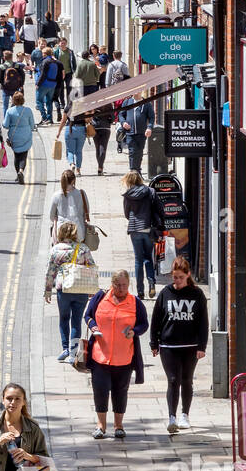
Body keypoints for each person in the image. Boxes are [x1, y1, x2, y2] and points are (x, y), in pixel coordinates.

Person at [84, 270, 149, 440]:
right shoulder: (100, 297)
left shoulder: (135, 302)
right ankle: (101, 426)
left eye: (124, 285)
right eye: (118, 285)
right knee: (100, 390)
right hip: (100, 356)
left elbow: (144, 324)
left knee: (120, 392)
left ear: (129, 284)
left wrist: (134, 332)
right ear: (111, 284)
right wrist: (93, 328)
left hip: (124, 358)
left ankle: (119, 426)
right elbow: (88, 315)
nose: (121, 289)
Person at [150, 257, 209, 434]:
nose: (176, 281)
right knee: (173, 380)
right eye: (174, 277)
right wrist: (154, 342)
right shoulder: (165, 293)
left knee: (187, 380)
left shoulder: (197, 294)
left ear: (188, 275)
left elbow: (203, 322)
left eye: (180, 277)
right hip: (169, 345)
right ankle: (172, 417)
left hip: (190, 345)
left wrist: (202, 346)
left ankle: (185, 415)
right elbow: (156, 319)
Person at [44, 223, 97, 362]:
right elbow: (92, 267)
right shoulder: (83, 248)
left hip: (64, 290)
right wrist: (93, 289)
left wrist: (48, 291)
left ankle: (65, 348)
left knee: (64, 318)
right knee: (76, 321)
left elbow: (50, 272)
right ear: (75, 233)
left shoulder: (56, 250)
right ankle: (73, 353)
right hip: (81, 289)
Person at [121, 169, 161, 299]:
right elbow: (158, 209)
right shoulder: (150, 191)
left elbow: (127, 214)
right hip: (148, 227)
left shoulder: (128, 195)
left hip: (134, 228)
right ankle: (151, 283)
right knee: (148, 257)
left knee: (138, 260)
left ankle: (140, 292)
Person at [48, 166, 88, 245]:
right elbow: (86, 212)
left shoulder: (56, 196)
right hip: (78, 231)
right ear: (73, 181)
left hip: (61, 233)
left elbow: (52, 216)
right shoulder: (81, 194)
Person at [3, 90, 36, 184]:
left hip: (14, 136)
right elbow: (32, 125)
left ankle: (18, 175)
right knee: (24, 155)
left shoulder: (10, 111)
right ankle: (21, 171)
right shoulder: (28, 110)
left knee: (16, 156)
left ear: (13, 100)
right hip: (26, 135)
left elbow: (5, 125)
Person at [119, 93, 155, 171]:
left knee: (139, 153)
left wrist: (149, 128)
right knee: (132, 152)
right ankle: (132, 172)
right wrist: (123, 122)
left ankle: (137, 171)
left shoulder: (146, 103)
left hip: (142, 133)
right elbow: (121, 115)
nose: (136, 92)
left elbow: (152, 117)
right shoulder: (127, 102)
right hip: (130, 133)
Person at [36, 46, 61, 124]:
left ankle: (44, 117)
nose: (42, 54)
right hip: (52, 84)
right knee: (49, 102)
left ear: (45, 54)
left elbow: (43, 74)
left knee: (39, 101)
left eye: (43, 53)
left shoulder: (45, 61)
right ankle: (50, 119)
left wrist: (38, 83)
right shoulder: (54, 62)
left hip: (44, 83)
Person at [0, 50, 26, 116]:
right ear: (12, 57)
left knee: (5, 105)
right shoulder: (16, 65)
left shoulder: (2, 66)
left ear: (4, 58)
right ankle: (14, 117)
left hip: (6, 88)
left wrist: (3, 84)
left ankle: (6, 121)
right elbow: (22, 74)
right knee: (16, 104)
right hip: (15, 87)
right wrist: (21, 84)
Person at [91, 104, 114, 175]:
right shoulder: (109, 104)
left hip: (95, 127)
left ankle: (100, 166)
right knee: (103, 148)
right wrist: (109, 121)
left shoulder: (94, 103)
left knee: (97, 148)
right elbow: (113, 117)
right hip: (106, 127)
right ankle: (100, 167)